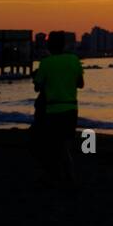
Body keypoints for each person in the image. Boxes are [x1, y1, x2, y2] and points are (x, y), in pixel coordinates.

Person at [32, 31, 84, 186]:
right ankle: (68, 176)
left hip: (52, 110)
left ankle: (59, 176)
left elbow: (37, 87)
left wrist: (37, 78)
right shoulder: (74, 60)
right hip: (71, 108)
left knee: (51, 144)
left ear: (48, 45)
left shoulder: (46, 62)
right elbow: (80, 84)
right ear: (64, 44)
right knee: (64, 145)